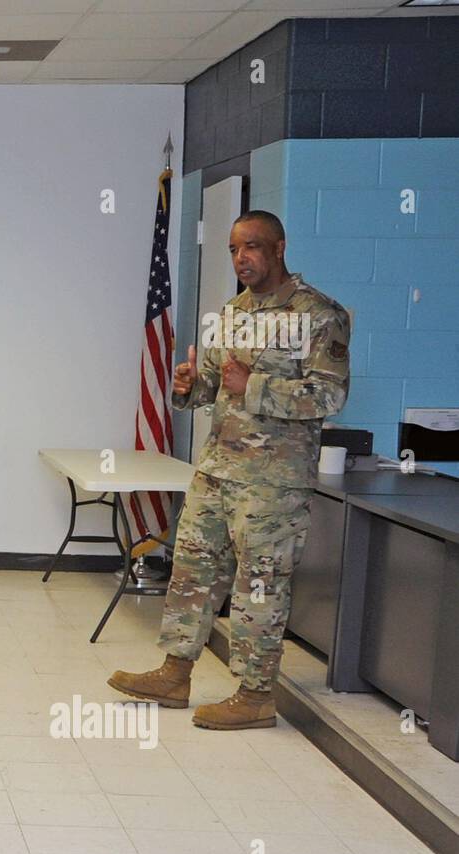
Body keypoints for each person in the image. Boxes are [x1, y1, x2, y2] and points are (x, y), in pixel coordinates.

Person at [108, 210, 351, 730]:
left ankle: (257, 694)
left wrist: (254, 387)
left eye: (253, 247)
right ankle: (175, 673)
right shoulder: (233, 311)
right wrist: (188, 386)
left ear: (280, 248)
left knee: (258, 586)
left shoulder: (319, 314)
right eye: (235, 250)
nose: (242, 258)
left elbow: (331, 395)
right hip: (217, 469)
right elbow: (217, 385)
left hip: (273, 484)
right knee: (192, 574)